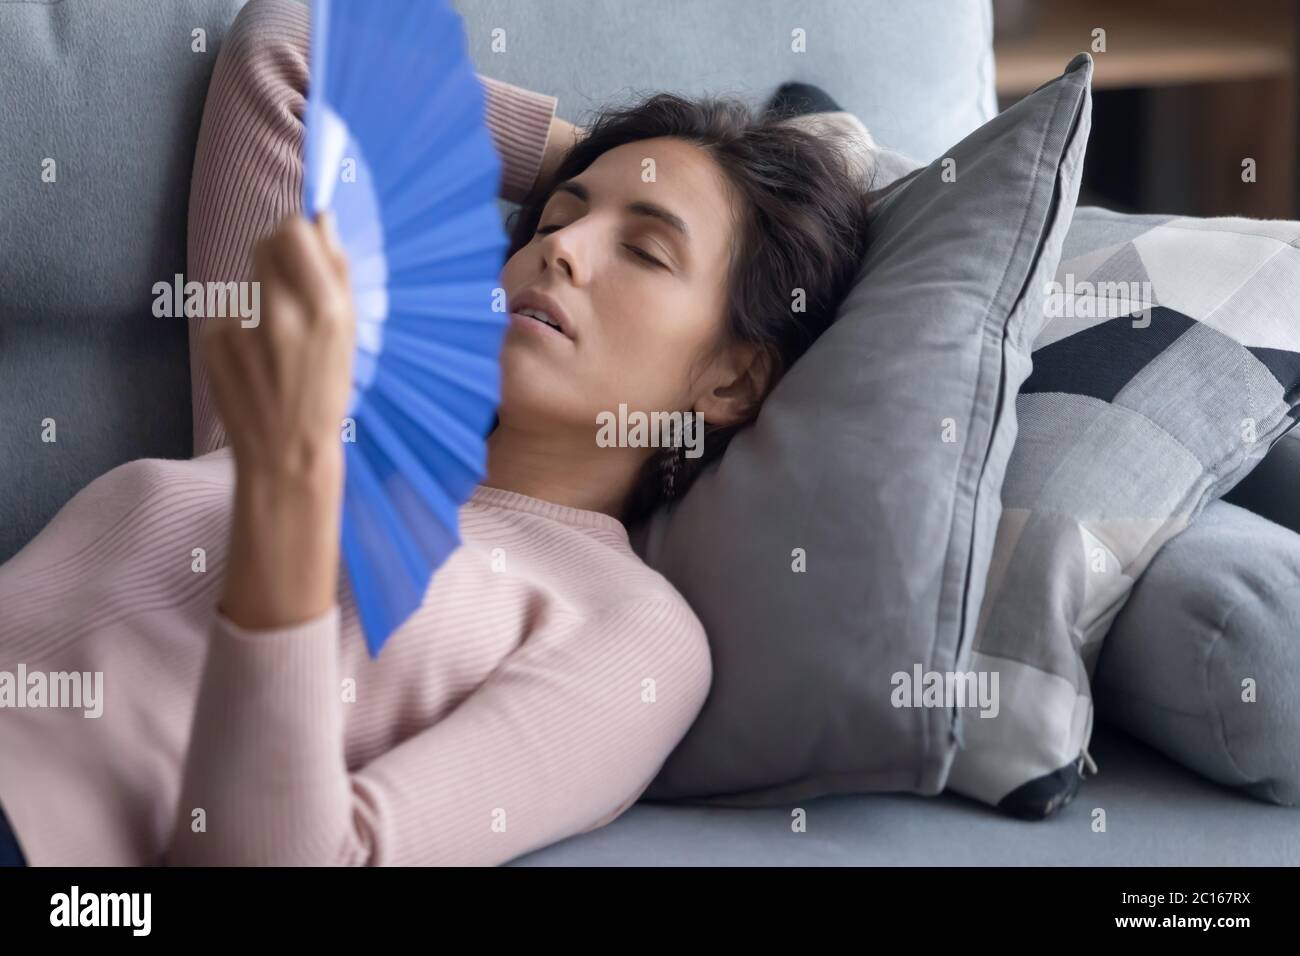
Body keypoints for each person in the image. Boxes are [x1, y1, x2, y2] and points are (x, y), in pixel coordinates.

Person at [0, 0, 873, 865]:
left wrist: (288, 505)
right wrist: (629, 161)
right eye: (556, 222)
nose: (557, 251)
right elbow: (289, 48)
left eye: (646, 251)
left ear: (734, 378)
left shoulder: (633, 630)